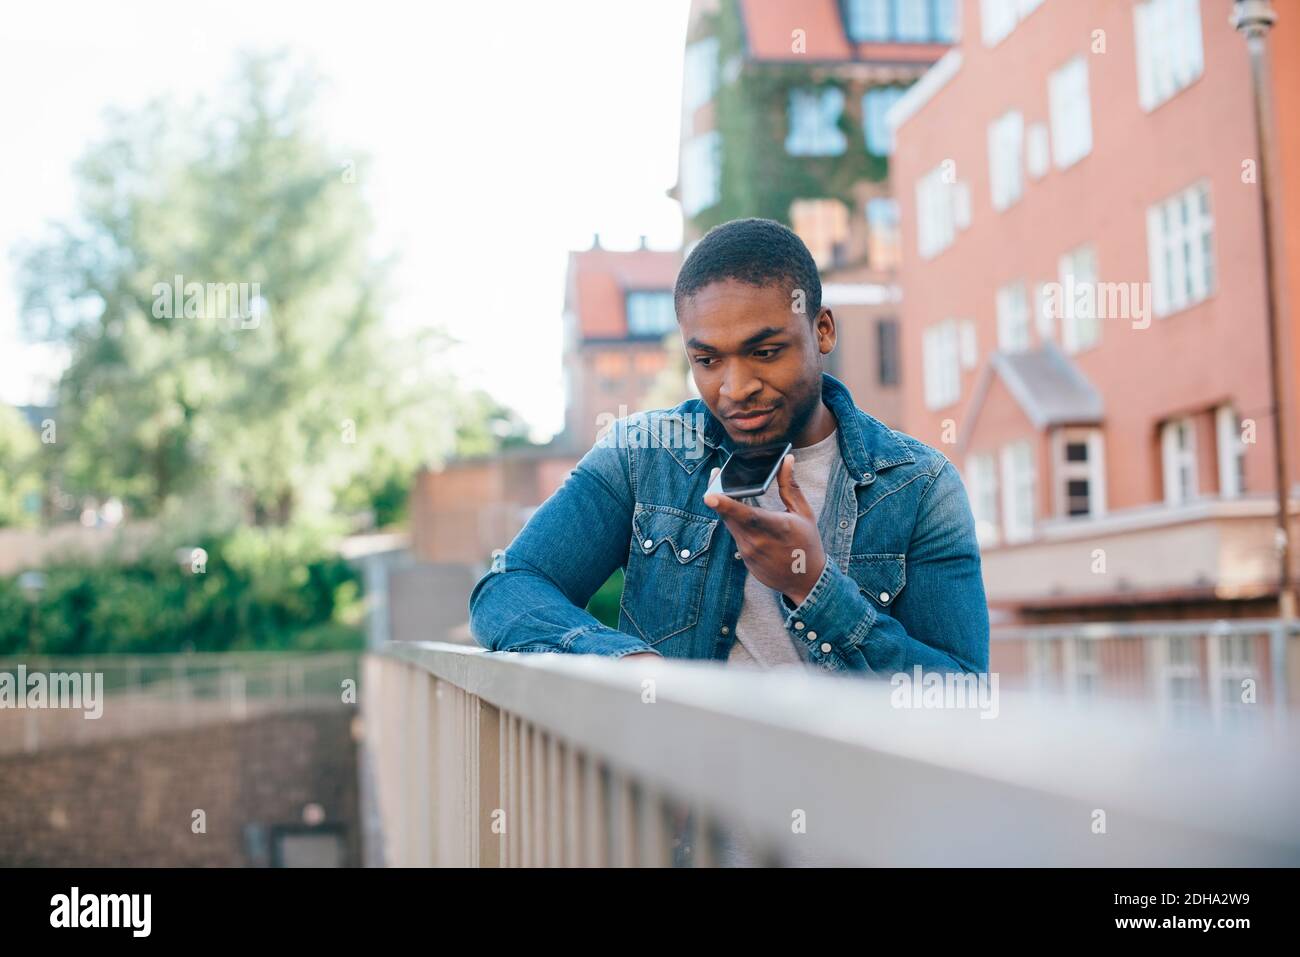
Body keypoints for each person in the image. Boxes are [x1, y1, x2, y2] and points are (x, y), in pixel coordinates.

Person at [469, 217, 988, 678]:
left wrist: (812, 585)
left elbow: (960, 696)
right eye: (709, 361)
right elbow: (507, 588)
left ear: (822, 330)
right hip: (683, 783)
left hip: (848, 787)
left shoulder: (920, 485)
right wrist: (630, 665)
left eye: (764, 352)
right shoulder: (645, 455)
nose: (736, 387)